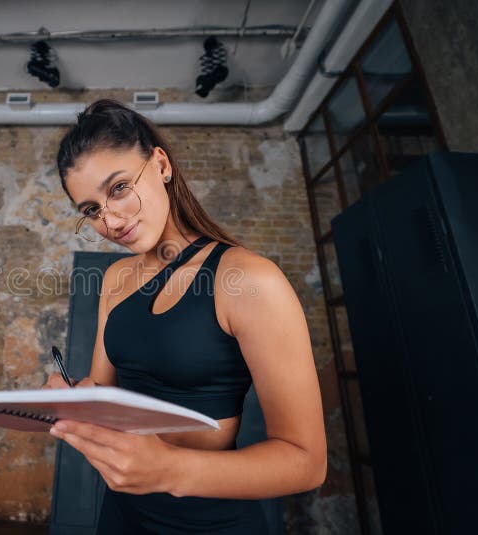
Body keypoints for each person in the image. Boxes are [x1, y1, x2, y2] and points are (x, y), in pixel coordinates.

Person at [43, 98, 326, 534]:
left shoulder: (248, 280)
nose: (110, 220)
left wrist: (170, 469)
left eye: (118, 188)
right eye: (91, 210)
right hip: (120, 518)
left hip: (212, 525)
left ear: (161, 165)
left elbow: (306, 462)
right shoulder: (116, 279)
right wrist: (73, 400)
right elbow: (104, 394)